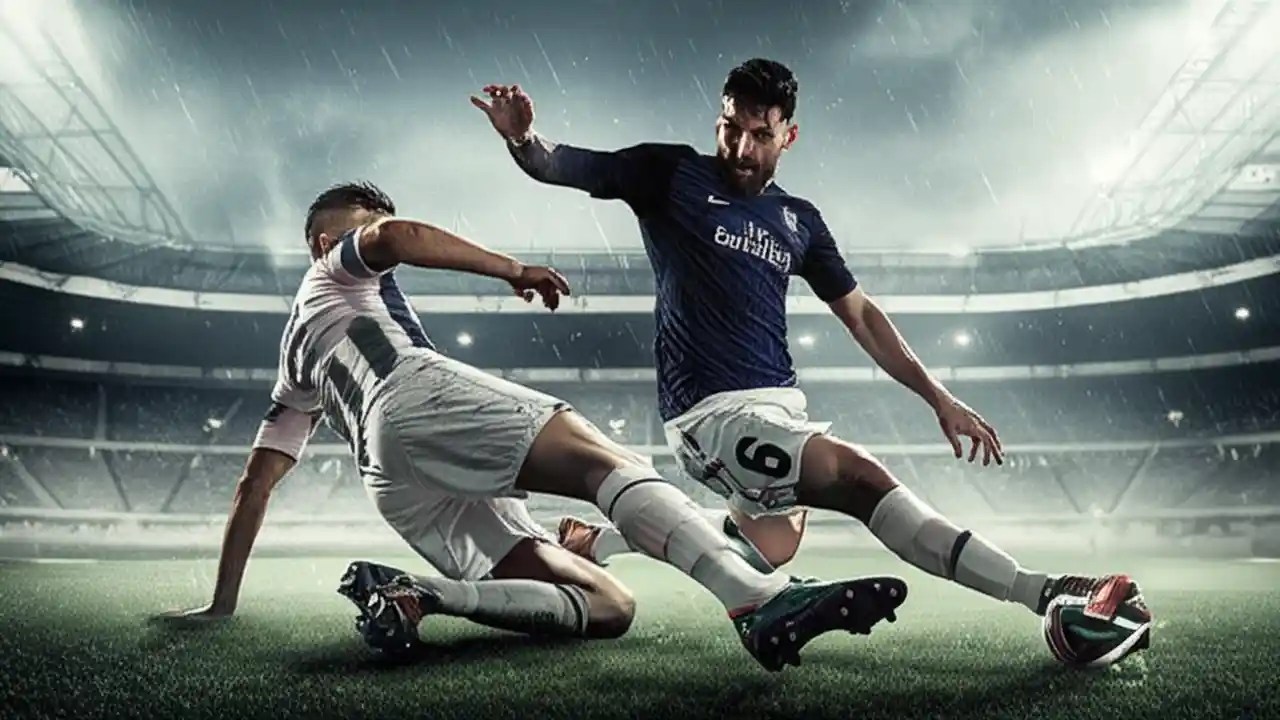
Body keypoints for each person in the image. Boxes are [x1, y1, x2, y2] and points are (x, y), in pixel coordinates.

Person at [472, 57, 1151, 657]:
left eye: (760, 134)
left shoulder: (799, 220)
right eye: (731, 127)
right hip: (711, 416)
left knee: (766, 547)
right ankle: (1048, 590)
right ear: (720, 119)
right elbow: (559, 164)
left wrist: (939, 398)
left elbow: (859, 313)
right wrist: (522, 137)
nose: (741, 146)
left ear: (788, 136)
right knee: (860, 478)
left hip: (779, 407)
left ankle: (599, 542)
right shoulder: (667, 172)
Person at [159, 181, 908, 672]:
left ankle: (421, 594)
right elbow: (401, 234)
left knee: (608, 607)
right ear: (323, 242)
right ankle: (754, 597)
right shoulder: (335, 269)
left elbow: (252, 488)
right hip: (409, 393)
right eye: (356, 229)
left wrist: (222, 603)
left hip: (391, 482)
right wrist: (512, 268)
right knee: (597, 459)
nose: (369, 239)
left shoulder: (293, 358)